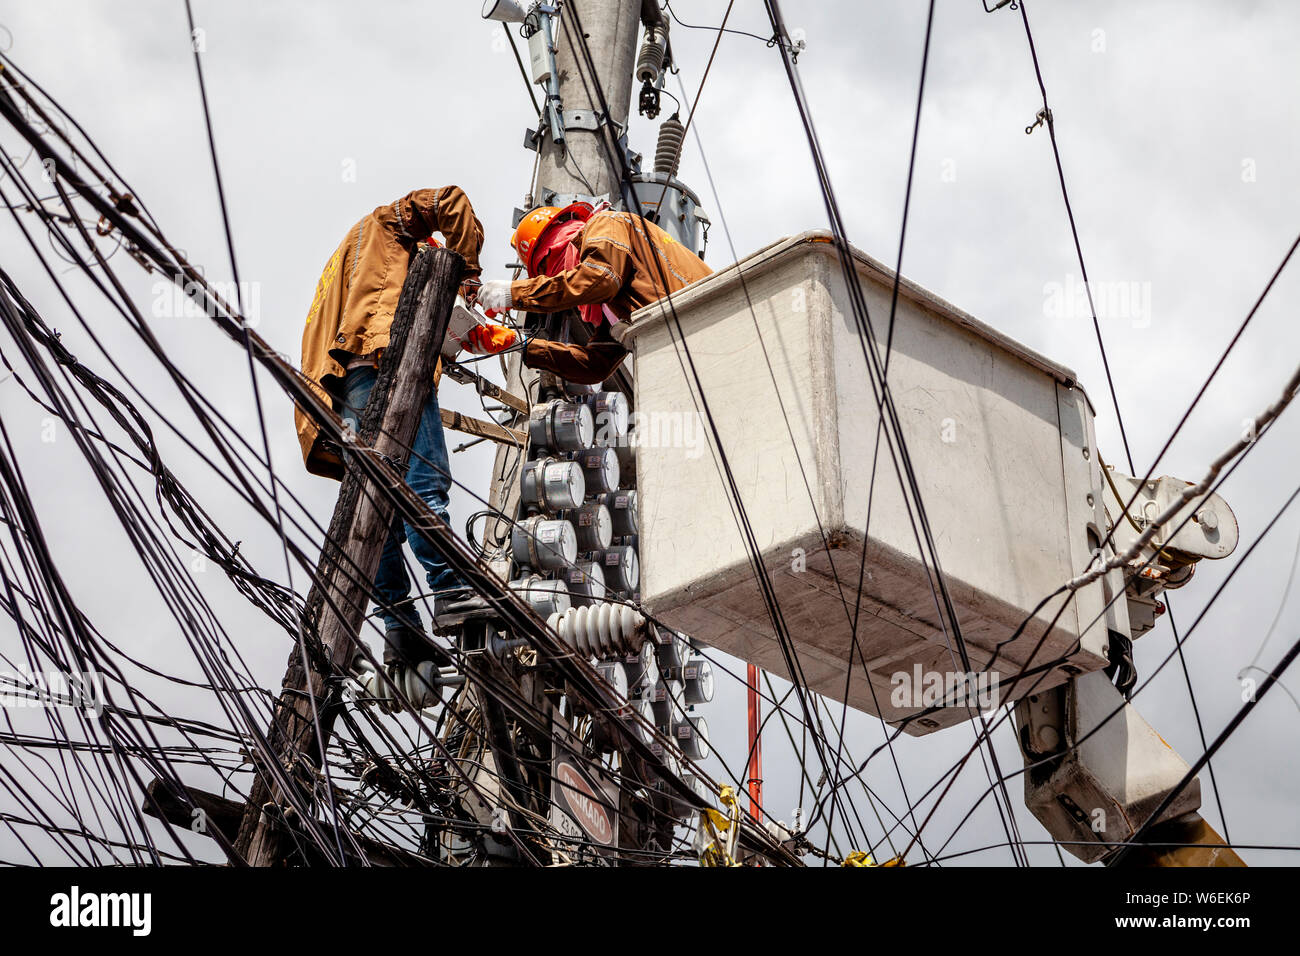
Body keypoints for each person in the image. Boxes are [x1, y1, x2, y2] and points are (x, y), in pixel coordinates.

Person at [296, 186, 489, 668]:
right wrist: (466, 274)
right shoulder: (386, 225)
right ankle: (451, 591)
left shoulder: (338, 273)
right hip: (386, 365)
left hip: (334, 390)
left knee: (373, 507)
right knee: (423, 483)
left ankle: (399, 630)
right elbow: (449, 200)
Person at [474, 202, 711, 384]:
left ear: (558, 240)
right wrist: (520, 345)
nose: (556, 275)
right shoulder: (617, 306)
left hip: (708, 319)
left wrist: (514, 293)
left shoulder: (605, 224)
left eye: (549, 266)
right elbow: (594, 366)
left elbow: (598, 278)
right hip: (693, 350)